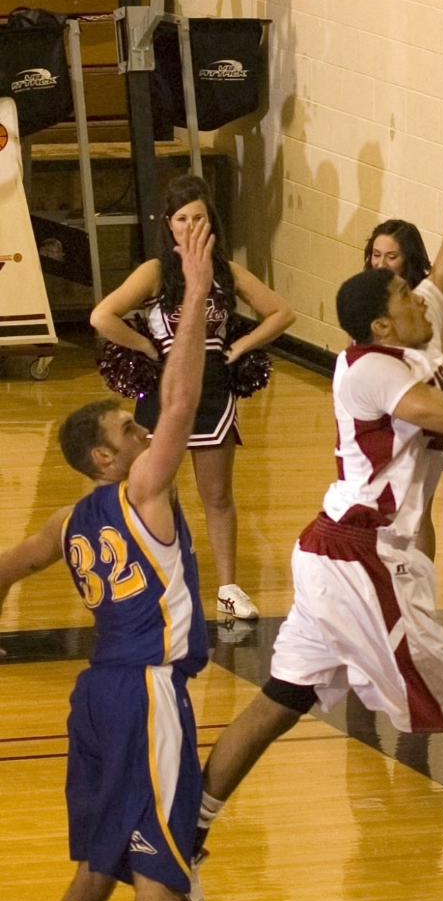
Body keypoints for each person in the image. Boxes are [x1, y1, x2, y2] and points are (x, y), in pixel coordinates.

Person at [190, 52, 443, 901]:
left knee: (281, 699)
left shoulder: (411, 332)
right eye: (406, 287)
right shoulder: (368, 369)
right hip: (363, 557)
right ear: (383, 321)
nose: (425, 288)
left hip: (338, 551)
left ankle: (184, 834)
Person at [0, 220, 240, 901]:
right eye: (126, 429)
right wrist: (192, 282)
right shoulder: (143, 491)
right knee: (158, 872)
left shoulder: (71, 521)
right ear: (108, 458)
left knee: (94, 870)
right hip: (147, 692)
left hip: (95, 697)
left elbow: (7, 565)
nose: (144, 433)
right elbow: (180, 403)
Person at [91, 174, 295, 621]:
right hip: (163, 393)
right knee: (154, 489)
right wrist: (145, 345)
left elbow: (282, 312)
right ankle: (157, 580)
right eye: (182, 218)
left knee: (217, 495)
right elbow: (102, 315)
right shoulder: (155, 271)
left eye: (198, 217)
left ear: (211, 223)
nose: (190, 226)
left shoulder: (228, 271)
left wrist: (239, 347)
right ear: (170, 225)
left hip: (213, 391)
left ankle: (227, 587)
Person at [363, 219, 443, 561]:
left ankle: (421, 585)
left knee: (419, 511)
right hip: (380, 428)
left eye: (391, 256)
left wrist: (422, 401)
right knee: (375, 510)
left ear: (408, 260)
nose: (381, 263)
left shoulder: (426, 305)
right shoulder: (365, 304)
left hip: (421, 422)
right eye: (376, 254)